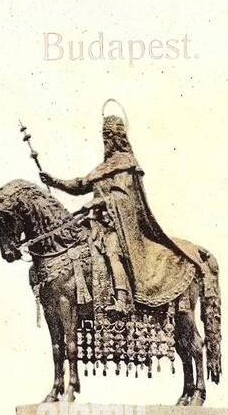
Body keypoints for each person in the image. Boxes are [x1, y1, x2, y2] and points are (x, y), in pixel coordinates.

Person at [39, 114, 201, 317]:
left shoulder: (126, 163)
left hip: (117, 227)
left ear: (117, 138)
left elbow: (122, 197)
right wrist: (54, 181)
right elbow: (81, 184)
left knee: (112, 250)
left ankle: (122, 300)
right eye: (103, 137)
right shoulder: (103, 167)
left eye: (107, 137)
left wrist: (98, 201)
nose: (105, 142)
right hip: (95, 224)